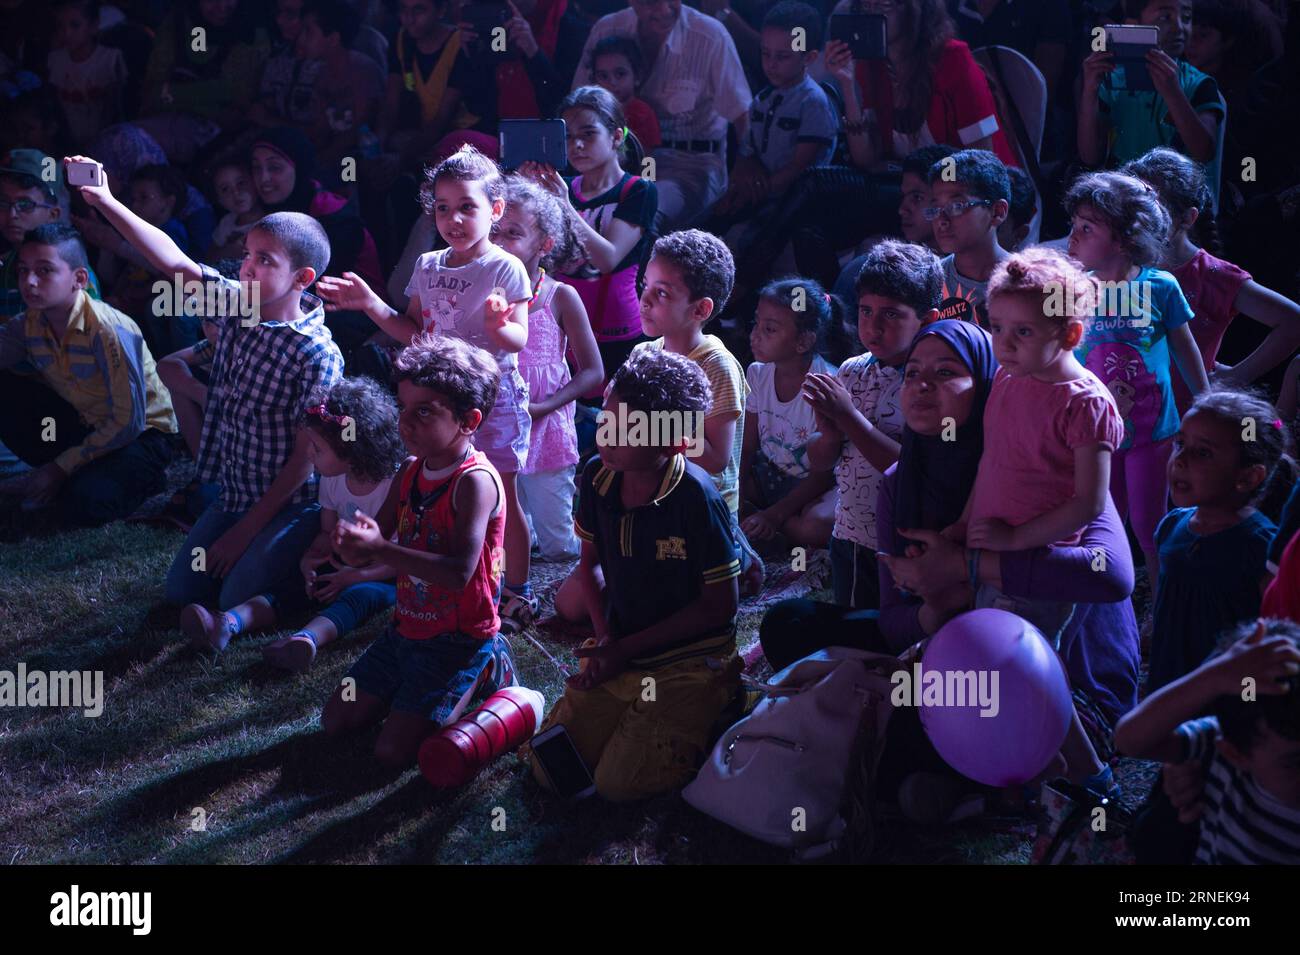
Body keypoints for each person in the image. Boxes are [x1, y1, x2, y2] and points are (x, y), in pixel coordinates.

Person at [762, 320, 1140, 820]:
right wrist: (936, 609)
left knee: (900, 725)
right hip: (945, 649)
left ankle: (996, 785)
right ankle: (975, 785)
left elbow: (1110, 575)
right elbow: (893, 618)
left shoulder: (1041, 468)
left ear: (989, 389)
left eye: (946, 372)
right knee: (787, 625)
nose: (921, 385)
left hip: (1061, 684)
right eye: (913, 372)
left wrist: (969, 568)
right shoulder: (902, 482)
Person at [67, 153, 345, 618]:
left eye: (264, 260)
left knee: (233, 595)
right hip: (235, 495)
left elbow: (304, 460)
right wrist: (104, 200)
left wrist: (244, 532)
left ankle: (298, 580)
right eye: (248, 256)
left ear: (303, 278)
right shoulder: (240, 305)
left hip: (287, 504)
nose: (248, 268)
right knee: (183, 592)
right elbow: (174, 263)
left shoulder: (316, 353)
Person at [316, 145, 537, 633]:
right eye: (442, 207)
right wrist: (372, 305)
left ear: (495, 210)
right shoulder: (429, 265)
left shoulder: (505, 268)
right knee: (440, 484)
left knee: (502, 489)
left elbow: (518, 337)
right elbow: (415, 330)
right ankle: (442, 569)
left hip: (490, 402)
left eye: (467, 206)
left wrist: (500, 326)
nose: (453, 218)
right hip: (437, 405)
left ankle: (515, 589)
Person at [534, 347, 743, 801]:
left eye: (628, 430)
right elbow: (588, 565)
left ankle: (722, 699)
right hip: (625, 646)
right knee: (549, 764)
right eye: (607, 419)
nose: (606, 436)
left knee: (617, 785)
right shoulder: (598, 476)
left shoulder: (695, 497)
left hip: (689, 658)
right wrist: (606, 639)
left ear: (671, 443)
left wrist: (623, 649)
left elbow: (720, 607)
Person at [727, 0, 1016, 315]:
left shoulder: (951, 58)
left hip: (952, 193)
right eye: (867, 7)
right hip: (900, 184)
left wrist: (933, 192)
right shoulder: (873, 64)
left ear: (913, 10)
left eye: (886, 6)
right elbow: (866, 159)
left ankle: (742, 282)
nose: (874, 13)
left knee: (812, 183)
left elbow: (982, 159)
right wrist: (848, 85)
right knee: (809, 228)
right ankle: (830, 322)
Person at [320, 335, 517, 769]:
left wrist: (382, 548)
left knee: (392, 753)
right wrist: (354, 545)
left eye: (424, 412)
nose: (405, 422)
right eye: (404, 408)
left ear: (469, 421)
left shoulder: (474, 482)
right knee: (336, 720)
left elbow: (458, 573)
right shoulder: (409, 471)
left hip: (457, 639)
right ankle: (412, 693)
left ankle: (489, 665)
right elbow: (375, 548)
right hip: (406, 629)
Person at [955, 248, 1124, 647]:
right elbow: (993, 460)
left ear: (1070, 334)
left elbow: (1089, 503)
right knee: (988, 653)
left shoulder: (1086, 404)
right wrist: (965, 522)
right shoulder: (1008, 378)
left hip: (1037, 567)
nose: (1004, 344)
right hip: (992, 548)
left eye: (1023, 332)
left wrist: (1015, 540)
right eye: (996, 328)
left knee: (1030, 670)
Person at [181, 377, 405, 670]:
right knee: (294, 585)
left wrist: (354, 577)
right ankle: (227, 622)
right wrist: (310, 560)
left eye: (318, 448)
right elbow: (326, 531)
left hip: (385, 574)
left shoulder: (394, 484)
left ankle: (305, 639)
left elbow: (401, 558)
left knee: (360, 597)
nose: (309, 454)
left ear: (354, 452)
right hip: (342, 563)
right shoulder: (333, 479)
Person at [1066, 170, 1209, 602]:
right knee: (1102, 527)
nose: (1073, 237)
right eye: (1073, 226)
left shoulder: (1160, 287)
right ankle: (1104, 612)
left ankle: (1163, 613)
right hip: (1097, 437)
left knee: (1151, 528)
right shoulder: (1074, 291)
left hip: (1153, 433)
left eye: (1086, 228)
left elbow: (1186, 351)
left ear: (1125, 236)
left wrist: (1203, 406)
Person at [0, 223, 175, 526]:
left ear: (79, 278)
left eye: (43, 271)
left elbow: (128, 422)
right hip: (85, 425)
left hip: (141, 436)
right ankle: (67, 474)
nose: (28, 281)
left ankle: (137, 479)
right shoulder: (29, 324)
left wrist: (59, 467)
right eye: (23, 270)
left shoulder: (108, 329)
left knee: (84, 505)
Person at [804, 239, 940, 608]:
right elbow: (820, 462)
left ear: (927, 320)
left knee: (898, 636)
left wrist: (849, 417)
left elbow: (911, 469)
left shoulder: (931, 384)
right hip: (849, 531)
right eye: (865, 311)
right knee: (853, 627)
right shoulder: (852, 371)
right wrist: (830, 435)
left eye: (891, 314)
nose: (874, 327)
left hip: (902, 541)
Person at [629, 229, 763, 592]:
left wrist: (644, 433)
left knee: (671, 594)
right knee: (582, 598)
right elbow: (617, 429)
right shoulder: (646, 354)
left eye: (661, 293)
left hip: (701, 503)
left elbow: (717, 458)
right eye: (645, 285)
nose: (644, 300)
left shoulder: (716, 365)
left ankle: (736, 551)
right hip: (651, 492)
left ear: (700, 309)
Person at [1123, 147, 1300, 413]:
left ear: (1188, 217)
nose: (1141, 218)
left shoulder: (1213, 276)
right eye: (1134, 206)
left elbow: (1293, 321)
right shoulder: (1121, 263)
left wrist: (1236, 376)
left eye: (1155, 207)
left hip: (1184, 423)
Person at [1116, 617, 1300, 865]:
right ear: (1235, 754)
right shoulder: (1217, 745)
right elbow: (1129, 739)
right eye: (1294, 762)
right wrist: (1215, 676)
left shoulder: (1250, 741)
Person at [1148, 386, 1294, 691]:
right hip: (1169, 683)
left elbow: (1272, 635)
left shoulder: (1260, 546)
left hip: (1230, 697)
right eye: (1180, 443)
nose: (1180, 460)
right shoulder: (1172, 526)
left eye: (1203, 452)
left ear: (1248, 477)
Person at [496, 176, 605, 562]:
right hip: (496, 428)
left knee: (560, 545)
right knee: (506, 538)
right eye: (494, 230)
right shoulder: (481, 291)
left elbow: (593, 373)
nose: (498, 241)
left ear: (544, 245)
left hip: (547, 431)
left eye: (512, 233)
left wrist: (545, 407)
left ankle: (589, 547)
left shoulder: (560, 296)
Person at [571, 0, 752, 230]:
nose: (665, 9)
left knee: (646, 206)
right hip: (617, 164)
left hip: (689, 165)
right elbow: (579, 105)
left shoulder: (709, 35)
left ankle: (637, 266)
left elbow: (742, 114)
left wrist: (747, 162)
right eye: (653, 2)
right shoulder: (608, 29)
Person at [526, 86, 657, 398]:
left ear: (616, 137)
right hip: (561, 328)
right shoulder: (562, 187)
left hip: (618, 331)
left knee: (613, 422)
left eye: (588, 134)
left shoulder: (638, 191)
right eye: (568, 137)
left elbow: (608, 259)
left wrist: (564, 204)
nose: (577, 145)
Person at [1078, 0, 1225, 206]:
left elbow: (1203, 151)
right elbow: (1090, 155)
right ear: (1133, 25)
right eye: (1165, 17)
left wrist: (1173, 92)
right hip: (1126, 204)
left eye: (1186, 18)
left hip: (1180, 208)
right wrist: (1089, 90)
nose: (1179, 28)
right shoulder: (1113, 82)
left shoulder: (1198, 84)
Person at [709, 2, 838, 234]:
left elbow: (800, 167)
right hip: (760, 198)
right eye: (765, 53)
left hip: (795, 204)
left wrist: (757, 192)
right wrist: (737, 190)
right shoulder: (762, 100)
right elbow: (747, 152)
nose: (771, 64)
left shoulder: (813, 103)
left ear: (808, 58)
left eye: (783, 56)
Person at [741, 277, 838, 550]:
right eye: (756, 324)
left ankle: (768, 521)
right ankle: (763, 520)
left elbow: (825, 474)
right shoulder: (757, 373)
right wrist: (734, 502)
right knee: (715, 486)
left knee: (816, 526)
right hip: (770, 475)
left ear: (803, 341)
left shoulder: (825, 385)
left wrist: (775, 514)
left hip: (812, 486)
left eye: (769, 329)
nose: (755, 335)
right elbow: (747, 447)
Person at [1, 148, 102, 322]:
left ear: (53, 214)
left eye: (25, 204)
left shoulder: (70, 271)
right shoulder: (5, 265)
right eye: (3, 203)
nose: (12, 214)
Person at [295, 0, 386, 171]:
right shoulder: (322, 75)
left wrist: (323, 160)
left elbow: (360, 129)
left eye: (308, 32)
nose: (301, 39)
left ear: (333, 39)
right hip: (333, 157)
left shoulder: (363, 71)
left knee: (347, 176)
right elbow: (320, 129)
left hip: (361, 159)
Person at [927, 148, 1011, 327]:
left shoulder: (1033, 282)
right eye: (935, 209)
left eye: (956, 205)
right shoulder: (927, 284)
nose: (942, 220)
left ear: (997, 212)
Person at [46, 0, 126, 146]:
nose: (66, 33)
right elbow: (57, 107)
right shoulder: (56, 60)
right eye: (60, 26)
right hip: (69, 142)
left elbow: (116, 107)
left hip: (107, 142)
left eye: (75, 25)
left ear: (93, 26)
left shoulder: (110, 60)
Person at [588, 35, 660, 151]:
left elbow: (647, 157)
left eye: (620, 74)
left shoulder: (642, 113)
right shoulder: (591, 111)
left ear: (637, 77)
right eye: (603, 76)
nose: (612, 82)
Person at [206, 159, 264, 261]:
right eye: (225, 189)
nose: (235, 192)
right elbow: (210, 256)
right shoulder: (226, 222)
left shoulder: (270, 221)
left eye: (241, 183)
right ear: (220, 200)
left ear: (255, 181)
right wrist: (228, 250)